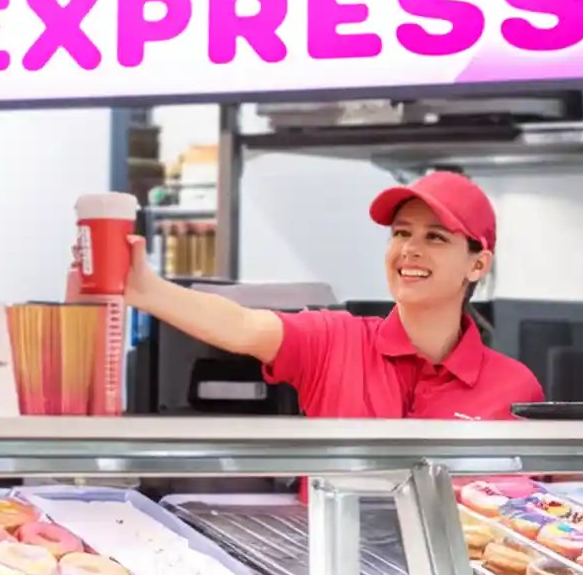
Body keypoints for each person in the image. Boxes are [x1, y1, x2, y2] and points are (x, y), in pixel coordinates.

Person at [125, 171, 544, 419]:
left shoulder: (514, 387)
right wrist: (147, 289)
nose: (409, 249)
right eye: (401, 233)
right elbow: (240, 325)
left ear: (477, 264)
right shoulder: (334, 341)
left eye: (435, 237)